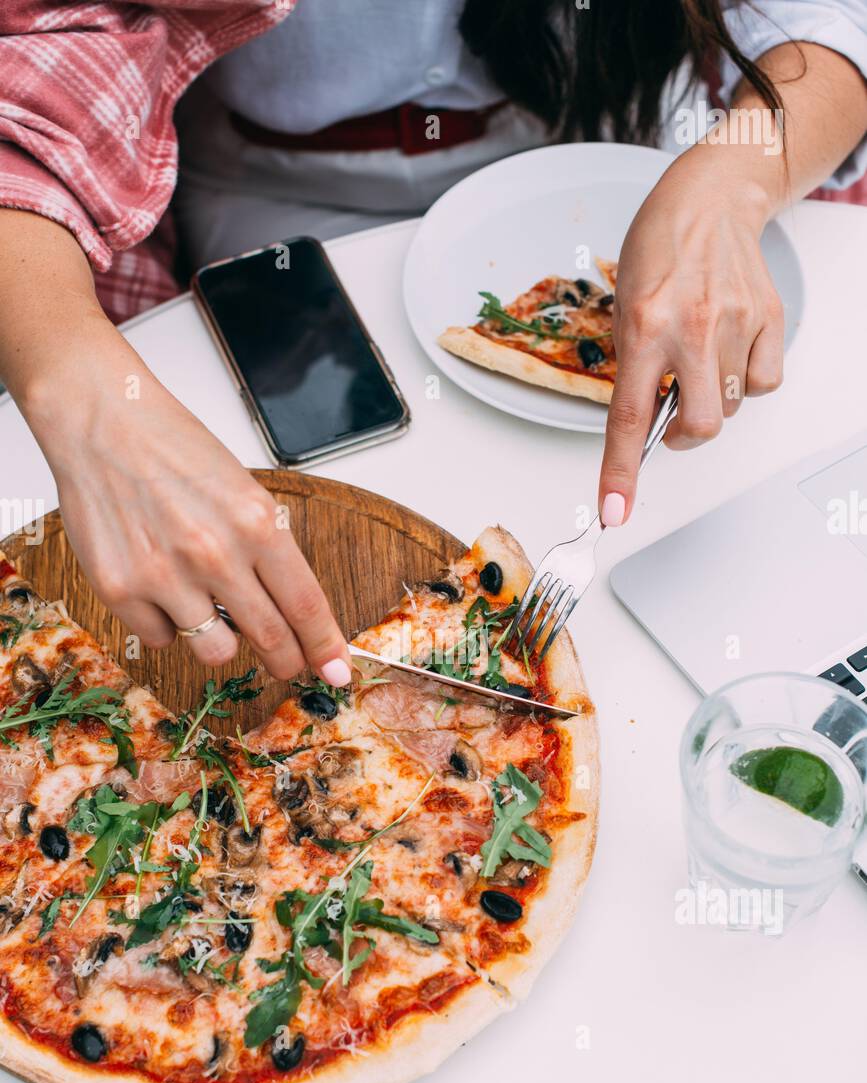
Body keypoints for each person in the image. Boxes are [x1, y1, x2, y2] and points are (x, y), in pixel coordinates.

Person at [1, 1, 865, 683]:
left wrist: (727, 187)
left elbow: (828, 27)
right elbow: (24, 116)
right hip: (268, 190)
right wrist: (82, 399)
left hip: (573, 160)